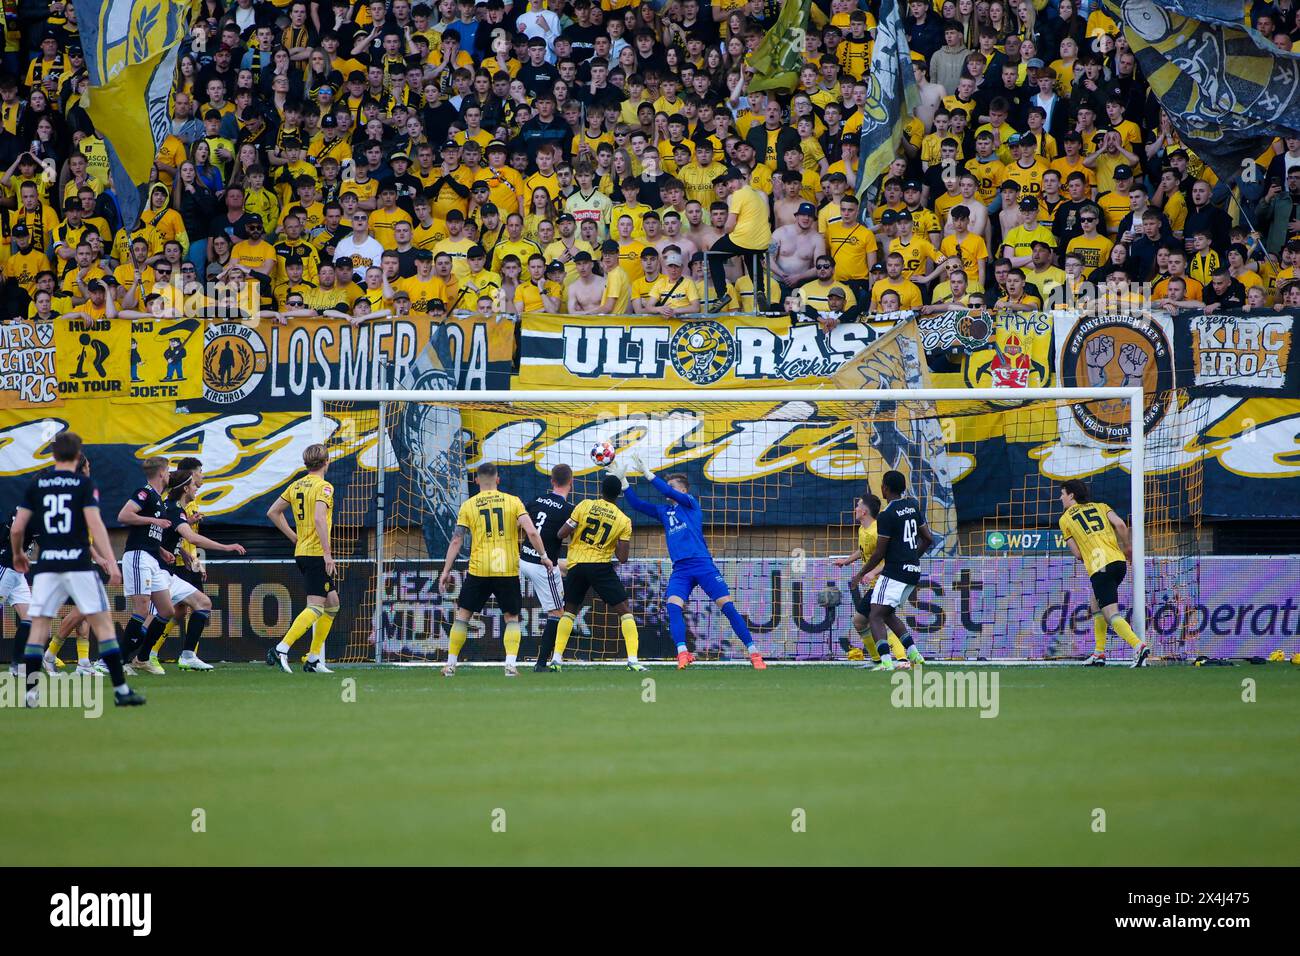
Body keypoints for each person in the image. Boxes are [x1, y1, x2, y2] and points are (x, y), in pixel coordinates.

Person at [8, 432, 144, 707]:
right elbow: (95, 525)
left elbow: (17, 527)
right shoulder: (84, 484)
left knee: (39, 628)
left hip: (47, 565)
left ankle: (31, 693)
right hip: (78, 564)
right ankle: (121, 691)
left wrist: (18, 553)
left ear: (53, 454)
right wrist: (110, 561)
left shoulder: (37, 484)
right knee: (103, 625)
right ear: (78, 453)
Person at [614, 452, 766, 670]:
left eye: (673, 487)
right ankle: (683, 653)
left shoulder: (690, 504)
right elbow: (637, 505)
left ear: (683, 490)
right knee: (673, 607)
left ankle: (754, 653)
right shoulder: (664, 512)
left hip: (702, 564)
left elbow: (665, 490)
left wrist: (648, 474)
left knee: (728, 607)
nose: (669, 491)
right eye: (669, 487)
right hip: (681, 569)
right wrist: (624, 482)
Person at [437, 462, 551, 677]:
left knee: (462, 616)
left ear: (476, 480)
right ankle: (510, 666)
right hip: (506, 569)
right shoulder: (513, 502)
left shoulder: (468, 505)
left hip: (479, 569)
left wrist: (445, 571)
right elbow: (532, 532)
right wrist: (544, 556)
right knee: (512, 618)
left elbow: (456, 540)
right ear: (498, 480)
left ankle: (450, 665)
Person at [550, 474, 644, 671]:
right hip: (600, 566)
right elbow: (623, 557)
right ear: (618, 494)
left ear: (601, 490)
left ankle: (556, 659)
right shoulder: (623, 520)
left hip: (576, 566)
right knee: (624, 610)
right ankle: (633, 661)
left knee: (569, 611)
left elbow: (561, 533)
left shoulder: (584, 505)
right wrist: (613, 539)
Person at [1058, 479, 1150, 667]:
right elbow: (1121, 525)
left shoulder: (1065, 519)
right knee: (1095, 605)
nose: (1061, 498)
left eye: (1062, 494)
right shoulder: (1101, 506)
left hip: (1100, 566)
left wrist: (1090, 550)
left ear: (1071, 495)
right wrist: (1128, 547)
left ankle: (1138, 646)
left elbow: (1077, 554)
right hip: (1118, 562)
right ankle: (1099, 654)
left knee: (1111, 614)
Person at [266, 444, 340, 674]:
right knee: (316, 607)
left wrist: (294, 538)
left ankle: (314, 658)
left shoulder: (296, 485)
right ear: (326, 461)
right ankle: (281, 649)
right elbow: (319, 518)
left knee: (333, 604)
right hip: (316, 553)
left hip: (303, 550)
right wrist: (328, 554)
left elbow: (272, 512)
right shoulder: (324, 487)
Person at [858, 470, 932, 671]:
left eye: (882, 485)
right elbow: (928, 538)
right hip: (913, 571)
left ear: (885, 488)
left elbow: (879, 553)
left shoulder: (886, 515)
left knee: (874, 615)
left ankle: (886, 662)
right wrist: (912, 558)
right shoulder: (913, 506)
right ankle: (914, 654)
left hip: (895, 572)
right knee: (887, 613)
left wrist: (862, 572)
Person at [832, 493, 909, 665]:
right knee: (872, 620)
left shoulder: (877, 531)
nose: (855, 509)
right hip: (874, 584)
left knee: (864, 621)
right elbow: (862, 550)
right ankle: (888, 659)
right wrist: (846, 561)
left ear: (865, 511)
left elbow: (890, 558)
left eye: (858, 505)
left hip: (884, 582)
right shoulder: (863, 529)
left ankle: (897, 658)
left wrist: (873, 573)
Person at [520, 464, 575, 672]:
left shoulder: (535, 501)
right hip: (542, 565)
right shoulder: (569, 510)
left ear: (552, 481)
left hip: (523, 559)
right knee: (558, 612)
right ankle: (541, 663)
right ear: (571, 482)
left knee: (565, 570)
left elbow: (522, 526)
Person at [706, 166, 772, 311]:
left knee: (713, 255)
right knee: (751, 255)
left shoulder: (738, 195)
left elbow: (730, 225)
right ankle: (760, 290)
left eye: (731, 182)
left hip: (744, 238)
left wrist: (727, 231)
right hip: (762, 242)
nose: (729, 186)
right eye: (727, 184)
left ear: (741, 179)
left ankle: (722, 294)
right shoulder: (756, 194)